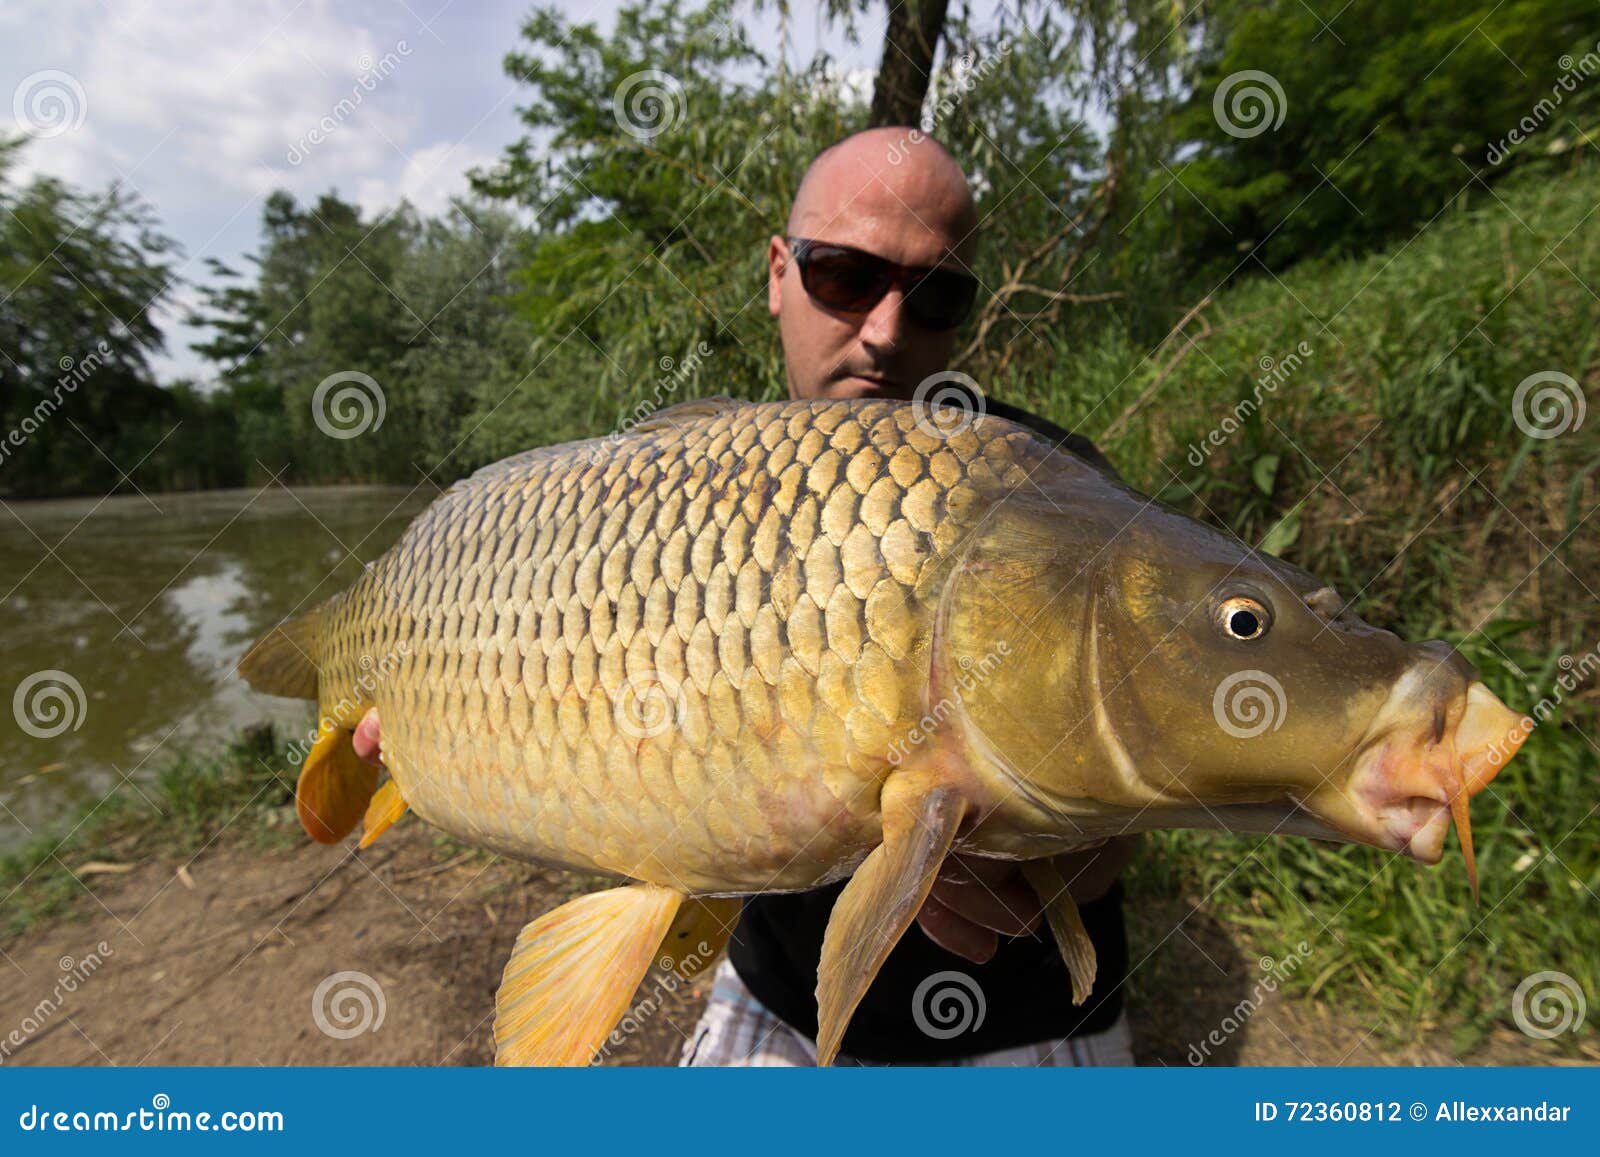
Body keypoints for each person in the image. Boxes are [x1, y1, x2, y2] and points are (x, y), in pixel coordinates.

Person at [350, 126, 1138, 1067]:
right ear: (778, 271)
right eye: (845, 277)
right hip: (778, 989)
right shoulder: (662, 495)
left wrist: (1049, 855)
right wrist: (438, 727)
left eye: (933, 293)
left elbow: (1140, 795)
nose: (886, 328)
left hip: (1030, 1014)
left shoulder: (1053, 493)